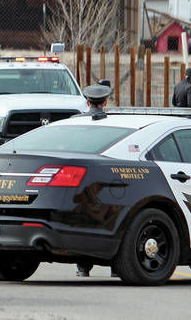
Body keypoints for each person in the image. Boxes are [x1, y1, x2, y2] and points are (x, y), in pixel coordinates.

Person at [75, 83, 113, 278]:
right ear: (105, 102)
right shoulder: (113, 123)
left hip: (80, 179)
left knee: (83, 221)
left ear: (88, 102)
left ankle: (83, 267)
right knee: (111, 219)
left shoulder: (74, 123)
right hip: (103, 178)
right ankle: (116, 267)